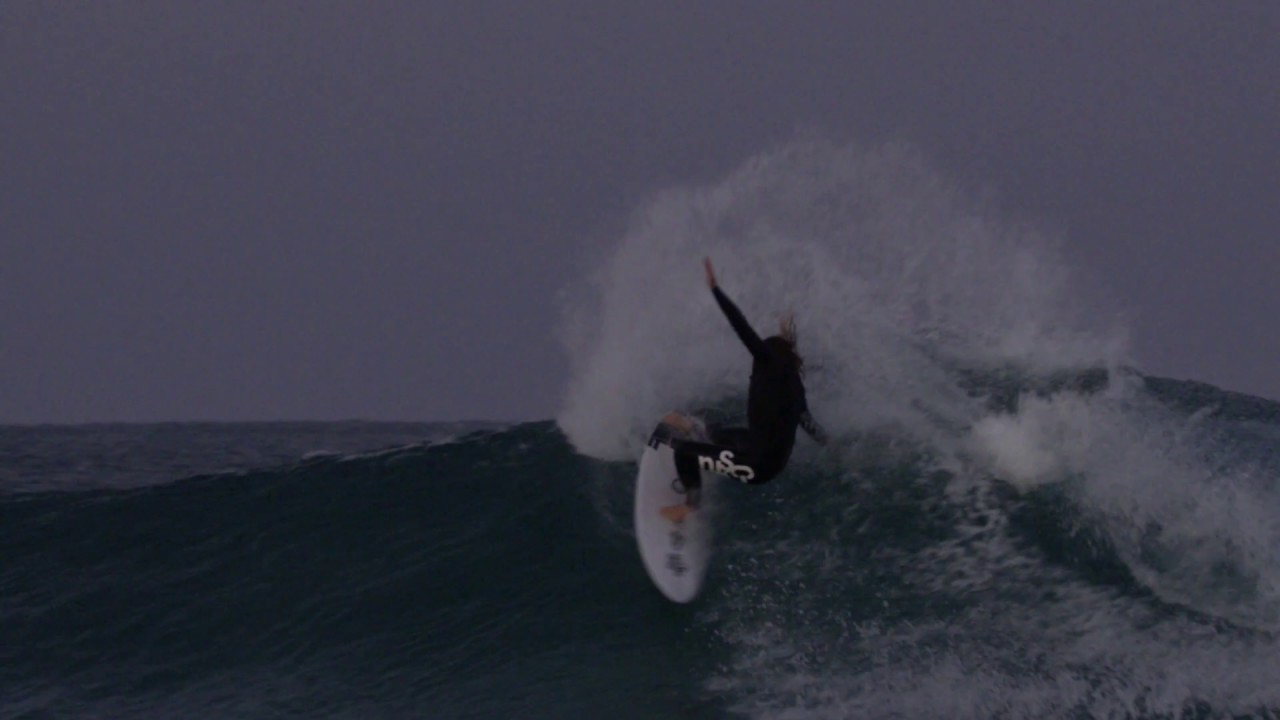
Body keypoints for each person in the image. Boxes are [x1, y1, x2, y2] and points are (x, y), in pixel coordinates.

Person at [660, 257, 827, 523]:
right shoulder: (795, 383)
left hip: (757, 465)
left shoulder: (766, 359)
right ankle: (695, 437)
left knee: (682, 453)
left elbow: (741, 325)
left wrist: (715, 289)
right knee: (711, 431)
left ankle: (689, 507)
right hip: (760, 448)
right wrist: (829, 443)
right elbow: (811, 426)